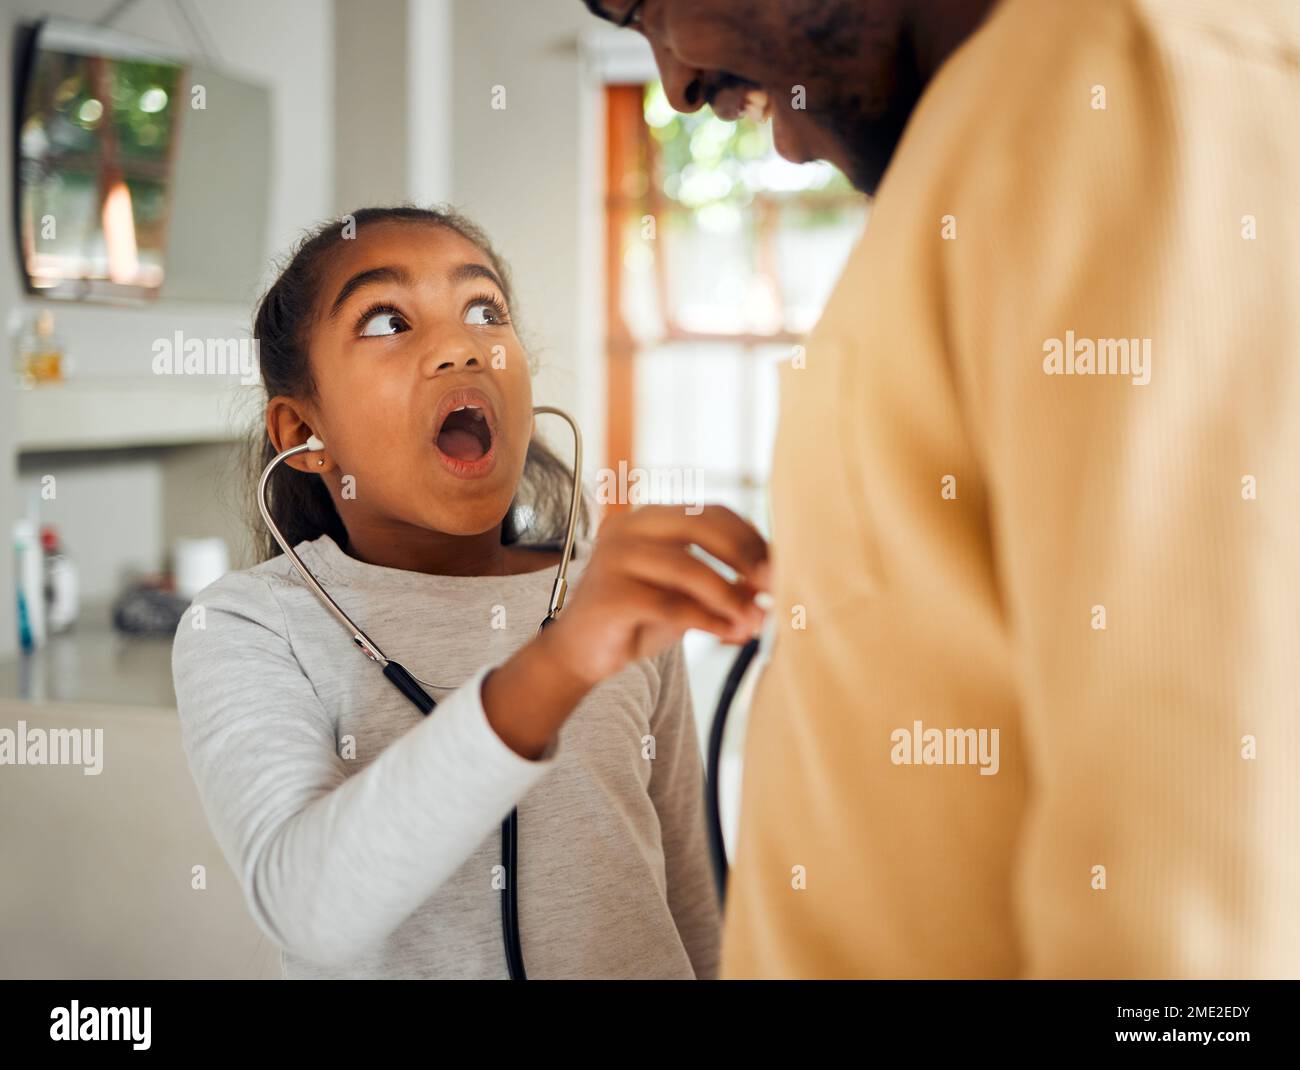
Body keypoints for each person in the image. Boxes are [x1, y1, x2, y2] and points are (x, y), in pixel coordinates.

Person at [582, 0, 1300, 978]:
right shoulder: (997, 140)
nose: (673, 82)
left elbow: (1200, 927)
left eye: (645, 7)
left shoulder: (1116, 75)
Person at [170, 205, 770, 978]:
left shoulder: (605, 602)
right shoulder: (249, 626)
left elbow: (688, 891)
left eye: (485, 310)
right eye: (386, 321)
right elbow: (310, 910)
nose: (462, 347)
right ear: (300, 436)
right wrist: (560, 666)